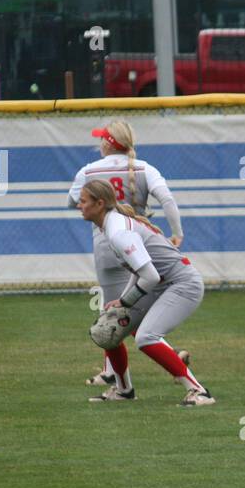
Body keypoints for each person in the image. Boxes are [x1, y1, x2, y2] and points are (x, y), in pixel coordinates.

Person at [76, 179, 214, 406]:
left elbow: (151, 276)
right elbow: (139, 271)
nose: (79, 205)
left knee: (146, 337)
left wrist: (127, 300)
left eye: (83, 201)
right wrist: (122, 301)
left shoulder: (118, 231)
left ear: (99, 204)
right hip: (163, 283)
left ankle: (200, 392)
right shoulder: (111, 226)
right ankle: (123, 391)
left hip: (181, 284)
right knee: (110, 330)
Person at [68, 120, 183, 386]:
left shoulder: (90, 170)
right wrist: (177, 233)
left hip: (108, 249)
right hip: (142, 246)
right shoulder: (145, 168)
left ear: (108, 143)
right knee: (130, 311)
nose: (99, 143)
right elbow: (167, 199)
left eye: (101, 139)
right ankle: (114, 369)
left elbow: (71, 201)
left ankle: (124, 379)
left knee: (114, 317)